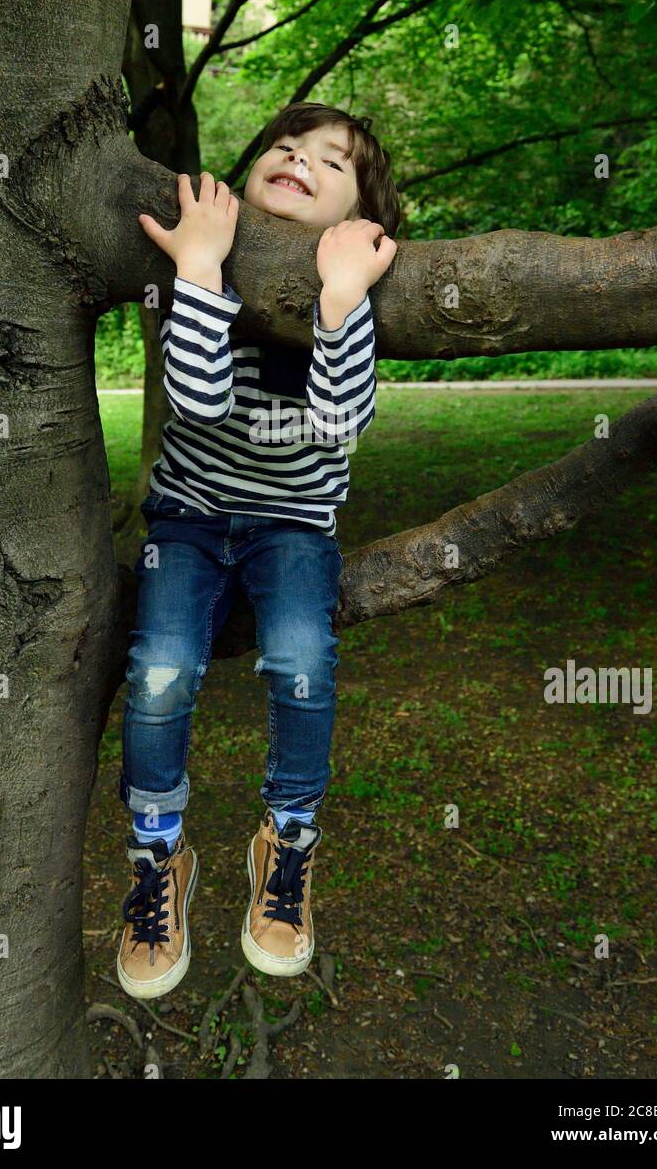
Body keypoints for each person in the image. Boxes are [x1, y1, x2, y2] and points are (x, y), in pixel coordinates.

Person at [116, 101, 399, 998]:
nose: (298, 157)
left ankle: (288, 844)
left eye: (331, 160)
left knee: (302, 657)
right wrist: (200, 264)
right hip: (191, 522)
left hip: (294, 526)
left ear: (361, 221)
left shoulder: (350, 295)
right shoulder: (214, 274)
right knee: (159, 670)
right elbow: (194, 403)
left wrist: (343, 293)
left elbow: (341, 419)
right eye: (285, 145)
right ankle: (159, 856)